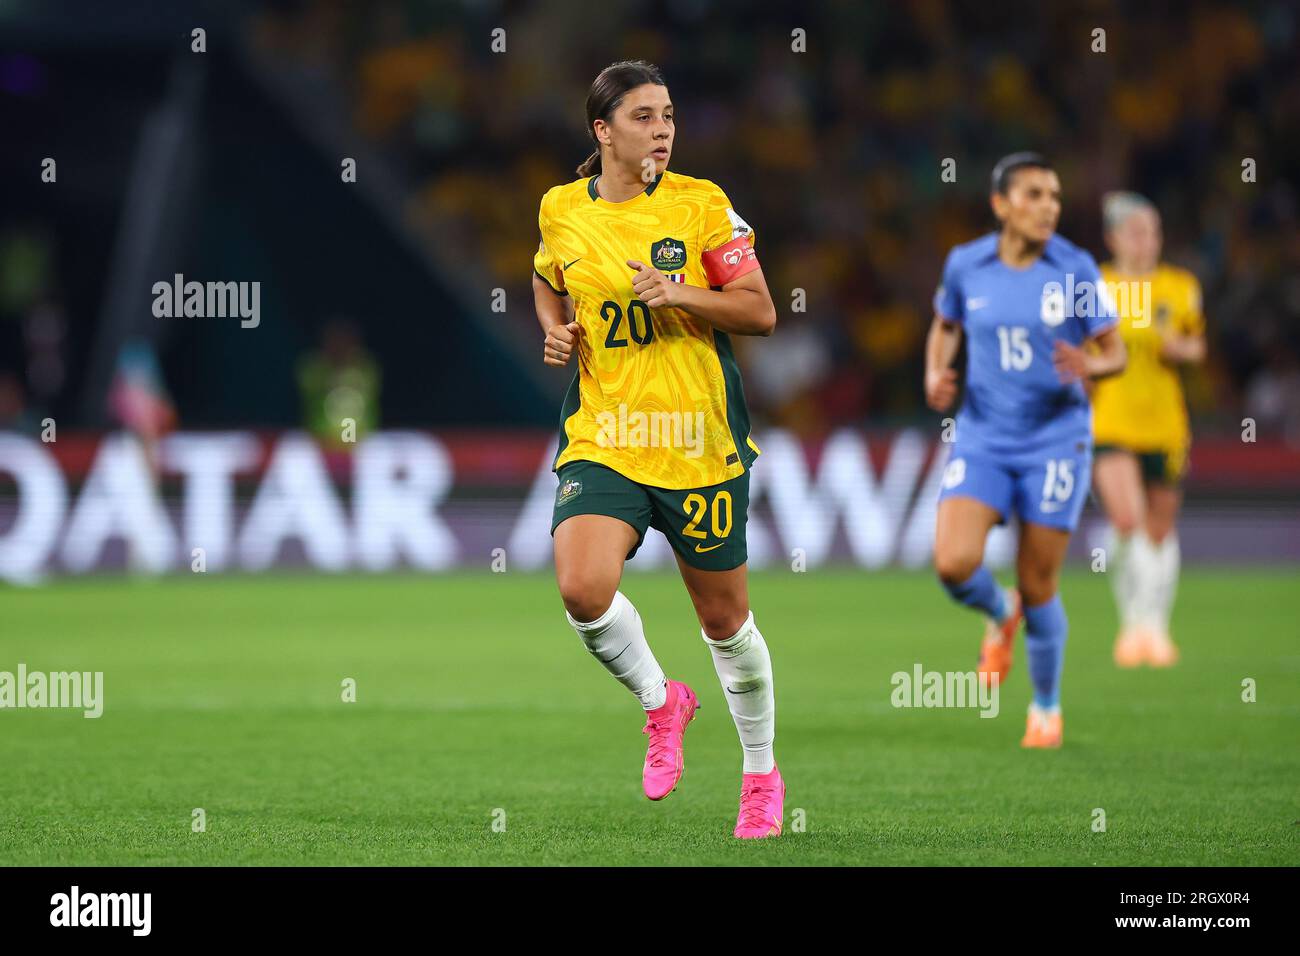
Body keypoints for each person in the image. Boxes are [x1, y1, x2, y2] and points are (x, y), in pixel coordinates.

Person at [531, 60, 783, 837]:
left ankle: (760, 775)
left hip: (698, 440)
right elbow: (546, 275)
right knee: (581, 587)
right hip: (606, 433)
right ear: (603, 131)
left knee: (726, 621)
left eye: (668, 114)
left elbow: (761, 312)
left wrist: (680, 294)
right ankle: (660, 701)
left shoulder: (703, 206)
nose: (663, 129)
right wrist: (555, 327)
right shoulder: (560, 208)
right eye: (643, 116)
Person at [925, 152, 1127, 748]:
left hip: (1056, 442)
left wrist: (1091, 361)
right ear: (1001, 204)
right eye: (1035, 194)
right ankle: (997, 610)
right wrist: (936, 370)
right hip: (985, 436)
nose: (1049, 207)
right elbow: (945, 324)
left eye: (1056, 197)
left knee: (1040, 583)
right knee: (953, 564)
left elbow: (1115, 351)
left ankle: (1045, 706)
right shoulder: (967, 264)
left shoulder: (1074, 267)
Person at [1091, 192, 1206, 667]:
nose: (1148, 241)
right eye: (1137, 232)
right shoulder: (1095, 285)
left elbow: (1198, 347)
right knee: (1125, 519)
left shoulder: (1180, 286)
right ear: (1113, 237)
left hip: (1165, 424)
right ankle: (1133, 624)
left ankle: (1155, 629)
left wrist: (1176, 347)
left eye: (1154, 231)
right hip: (1111, 420)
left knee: (1158, 531)